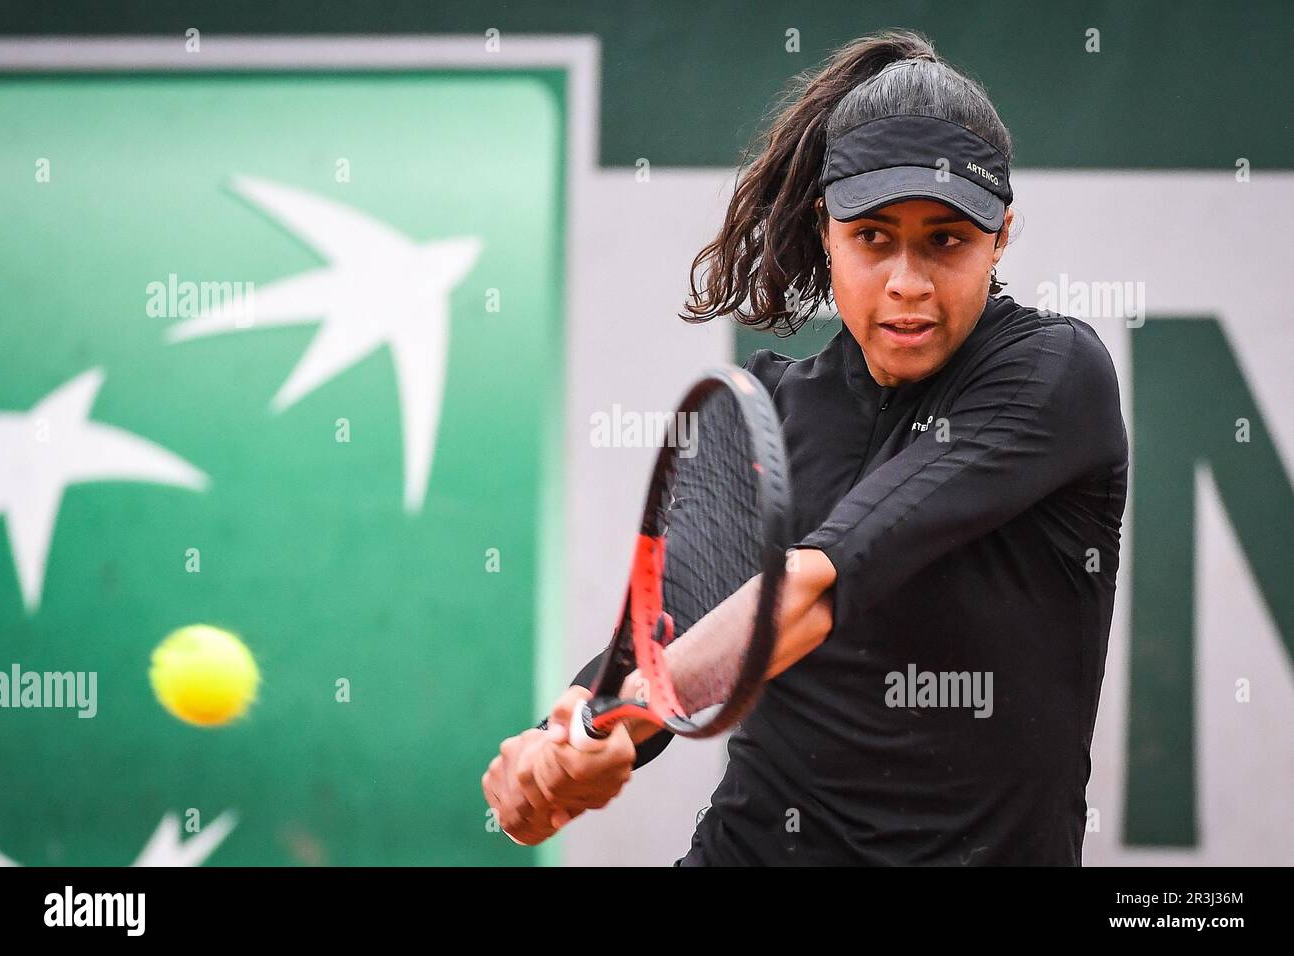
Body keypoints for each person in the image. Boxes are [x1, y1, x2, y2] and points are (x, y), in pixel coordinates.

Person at [481, 28, 1128, 865]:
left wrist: (635, 709)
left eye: (947, 240)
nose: (907, 282)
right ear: (827, 229)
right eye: (872, 237)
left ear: (1001, 234)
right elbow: (668, 623)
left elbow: (822, 582)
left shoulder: (1055, 373)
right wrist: (564, 740)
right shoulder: (765, 408)